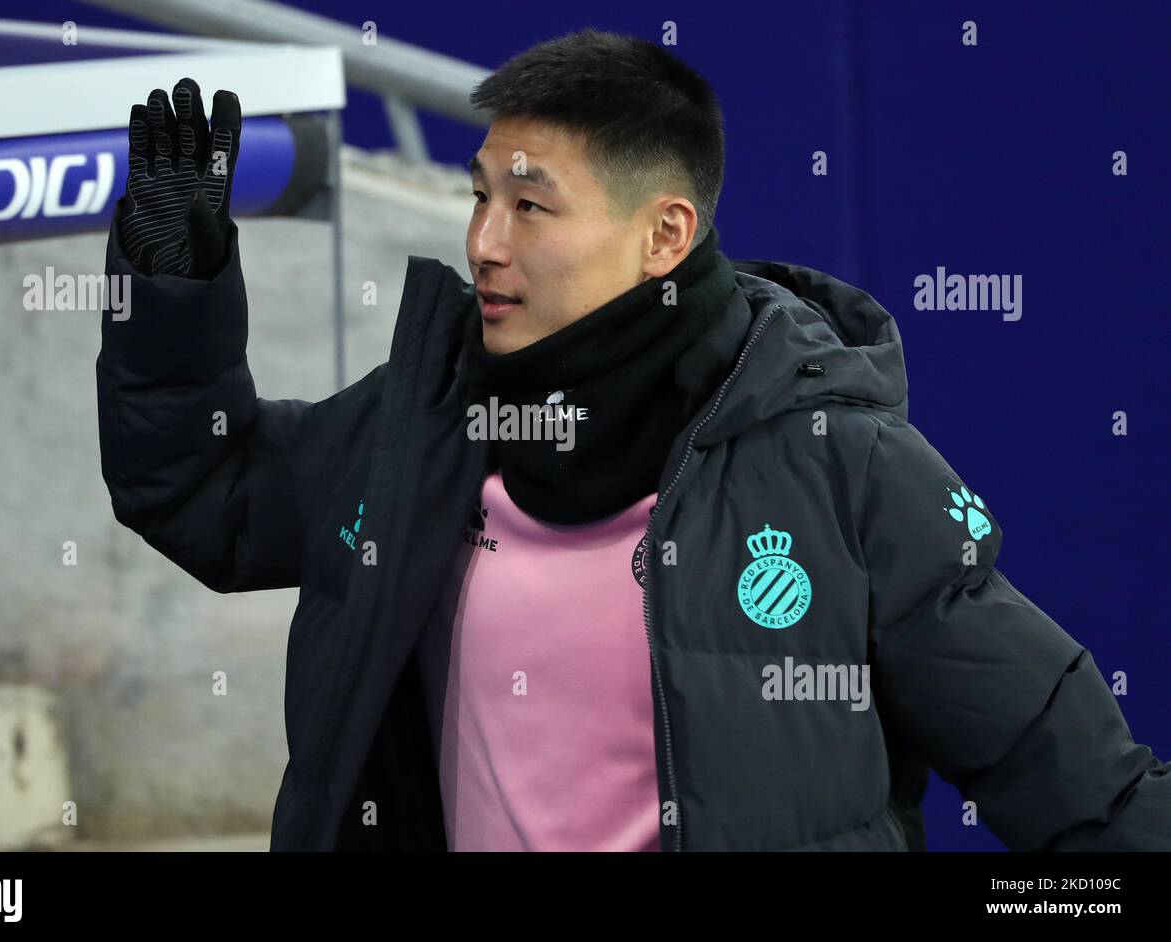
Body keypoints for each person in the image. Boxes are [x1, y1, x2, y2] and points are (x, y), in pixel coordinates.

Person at [96, 29, 1170, 851]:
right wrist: (172, 288)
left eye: (530, 207)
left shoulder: (841, 468)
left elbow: (1072, 783)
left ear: (665, 234)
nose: (482, 243)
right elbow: (203, 489)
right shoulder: (414, 430)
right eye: (478, 197)